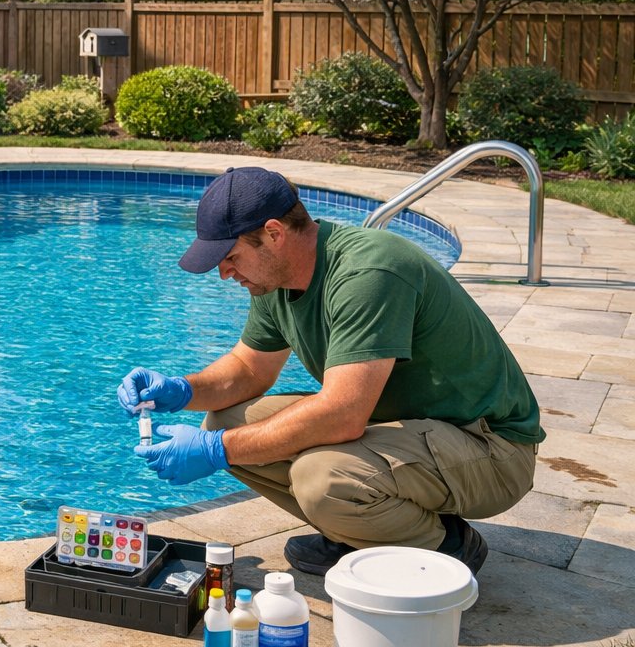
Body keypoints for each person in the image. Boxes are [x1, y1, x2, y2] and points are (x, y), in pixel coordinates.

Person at [119, 166, 541, 575]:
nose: (224, 273)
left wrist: (217, 451)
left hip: (490, 449)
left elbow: (343, 413)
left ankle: (446, 547)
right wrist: (180, 390)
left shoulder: (367, 273)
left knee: (322, 480)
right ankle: (358, 532)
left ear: (274, 234)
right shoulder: (275, 280)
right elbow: (248, 370)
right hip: (411, 430)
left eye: (230, 257)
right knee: (226, 422)